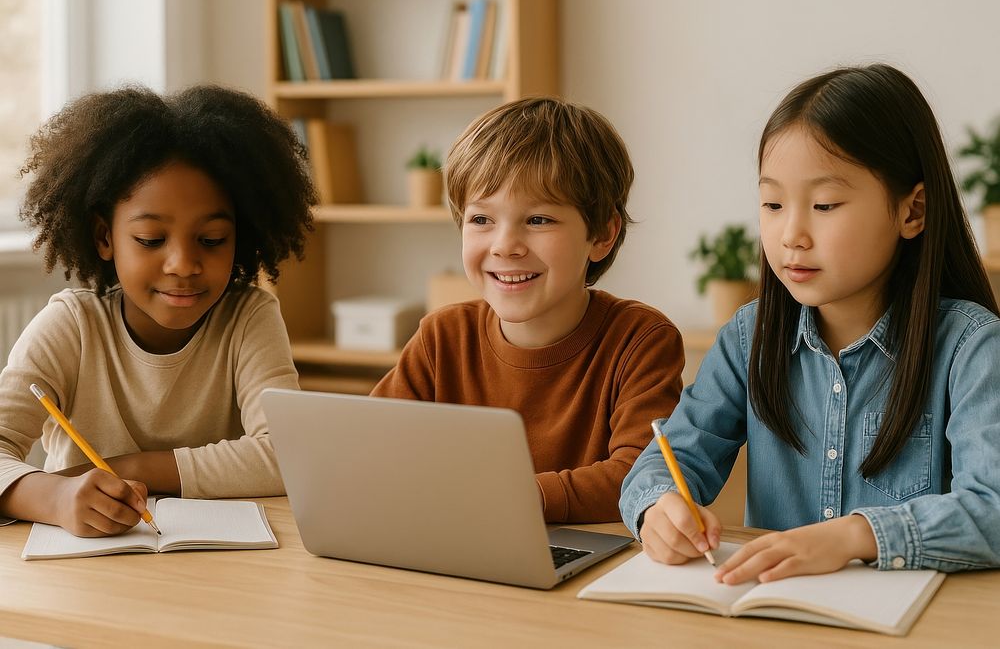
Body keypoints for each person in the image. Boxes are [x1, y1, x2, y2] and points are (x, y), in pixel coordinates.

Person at [621, 63, 1000, 584]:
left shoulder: (971, 347)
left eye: (824, 204)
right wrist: (657, 508)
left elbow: (993, 508)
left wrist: (852, 536)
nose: (791, 234)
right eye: (773, 203)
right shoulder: (748, 338)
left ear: (912, 212)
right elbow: (672, 458)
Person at [0, 85, 316, 537]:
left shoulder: (249, 317)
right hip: (82, 576)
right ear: (104, 237)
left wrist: (132, 467)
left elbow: (289, 454)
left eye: (211, 241)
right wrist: (55, 497)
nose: (183, 265)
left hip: (222, 573)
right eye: (150, 240)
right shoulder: (71, 327)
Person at [372, 96, 685, 523]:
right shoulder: (442, 335)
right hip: (456, 546)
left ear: (602, 234)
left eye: (538, 220)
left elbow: (639, 476)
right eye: (481, 220)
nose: (504, 245)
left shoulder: (641, 339)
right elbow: (372, 448)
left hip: (587, 564)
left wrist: (516, 497)